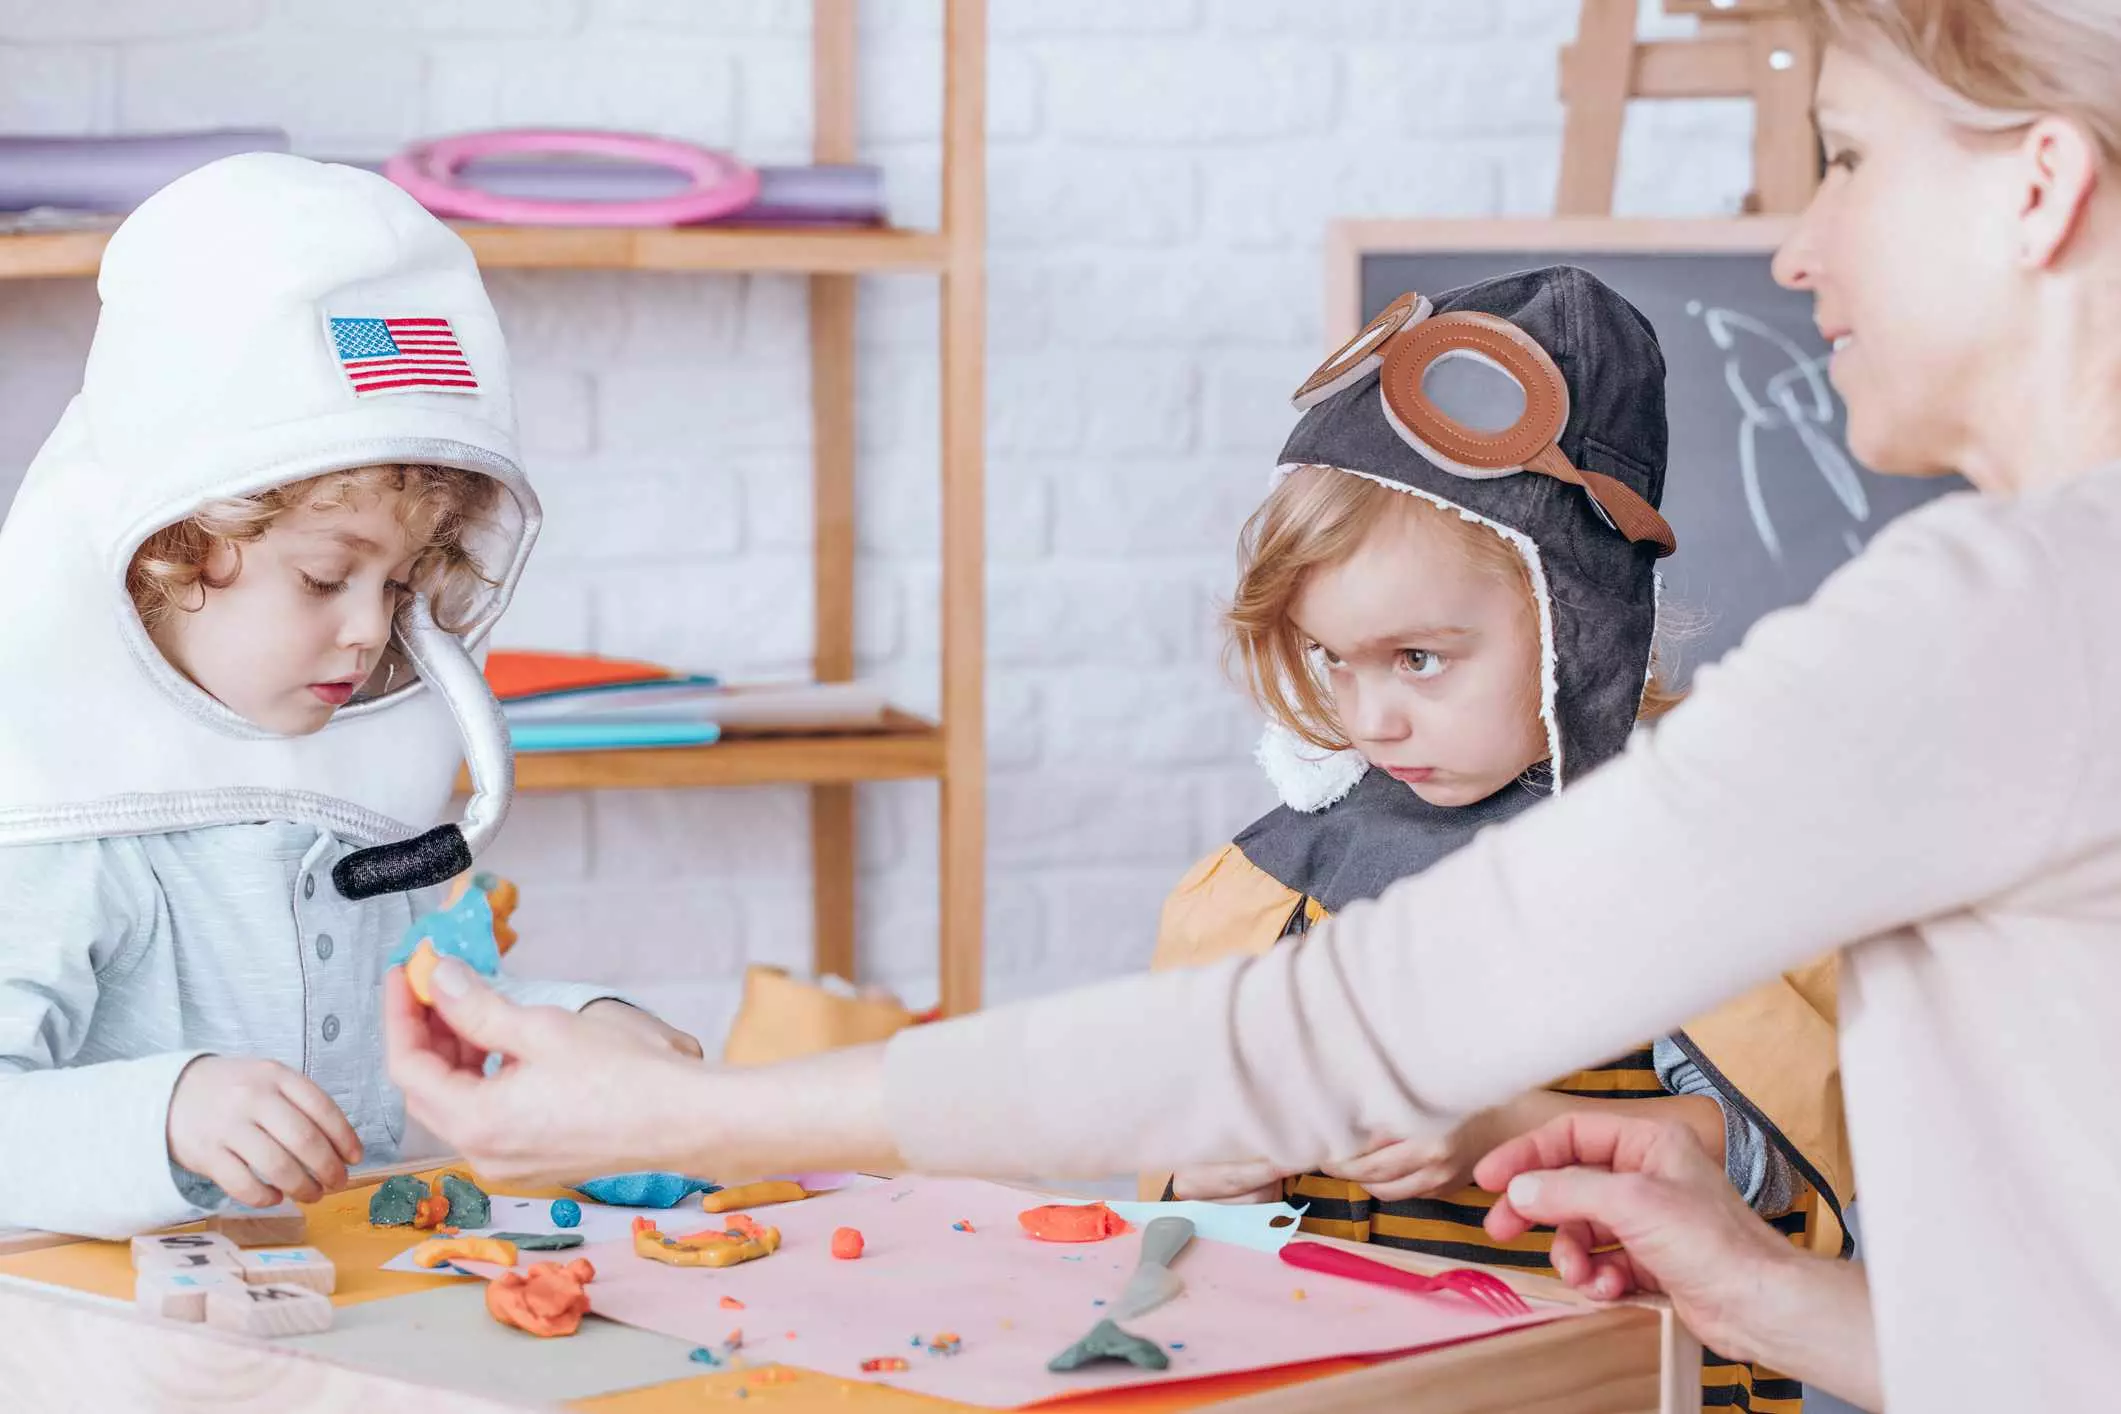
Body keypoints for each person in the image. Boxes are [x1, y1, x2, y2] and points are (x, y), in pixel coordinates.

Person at [388, 5, 2121, 1408]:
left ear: (2039, 182)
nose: (1800, 245)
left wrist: (662, 1112)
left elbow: (1314, 1034)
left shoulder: (2003, 611)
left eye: (1844, 155)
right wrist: (1770, 1291)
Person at [1149, 268, 1846, 1413]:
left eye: (1419, 658)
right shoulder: (1279, 882)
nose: (1370, 718)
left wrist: (1497, 1126)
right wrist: (1203, 1170)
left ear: (1578, 619)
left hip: (1627, 1385)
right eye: (1336, 661)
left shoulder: (1688, 868)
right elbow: (1184, 1161)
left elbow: (1769, 1154)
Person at [0, 153, 696, 1240]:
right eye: (327, 576)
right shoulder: (62, 831)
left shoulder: (356, 819)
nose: (374, 630)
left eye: (404, 583)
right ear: (165, 554)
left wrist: (580, 1026)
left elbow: (437, 1038)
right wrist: (166, 1111)